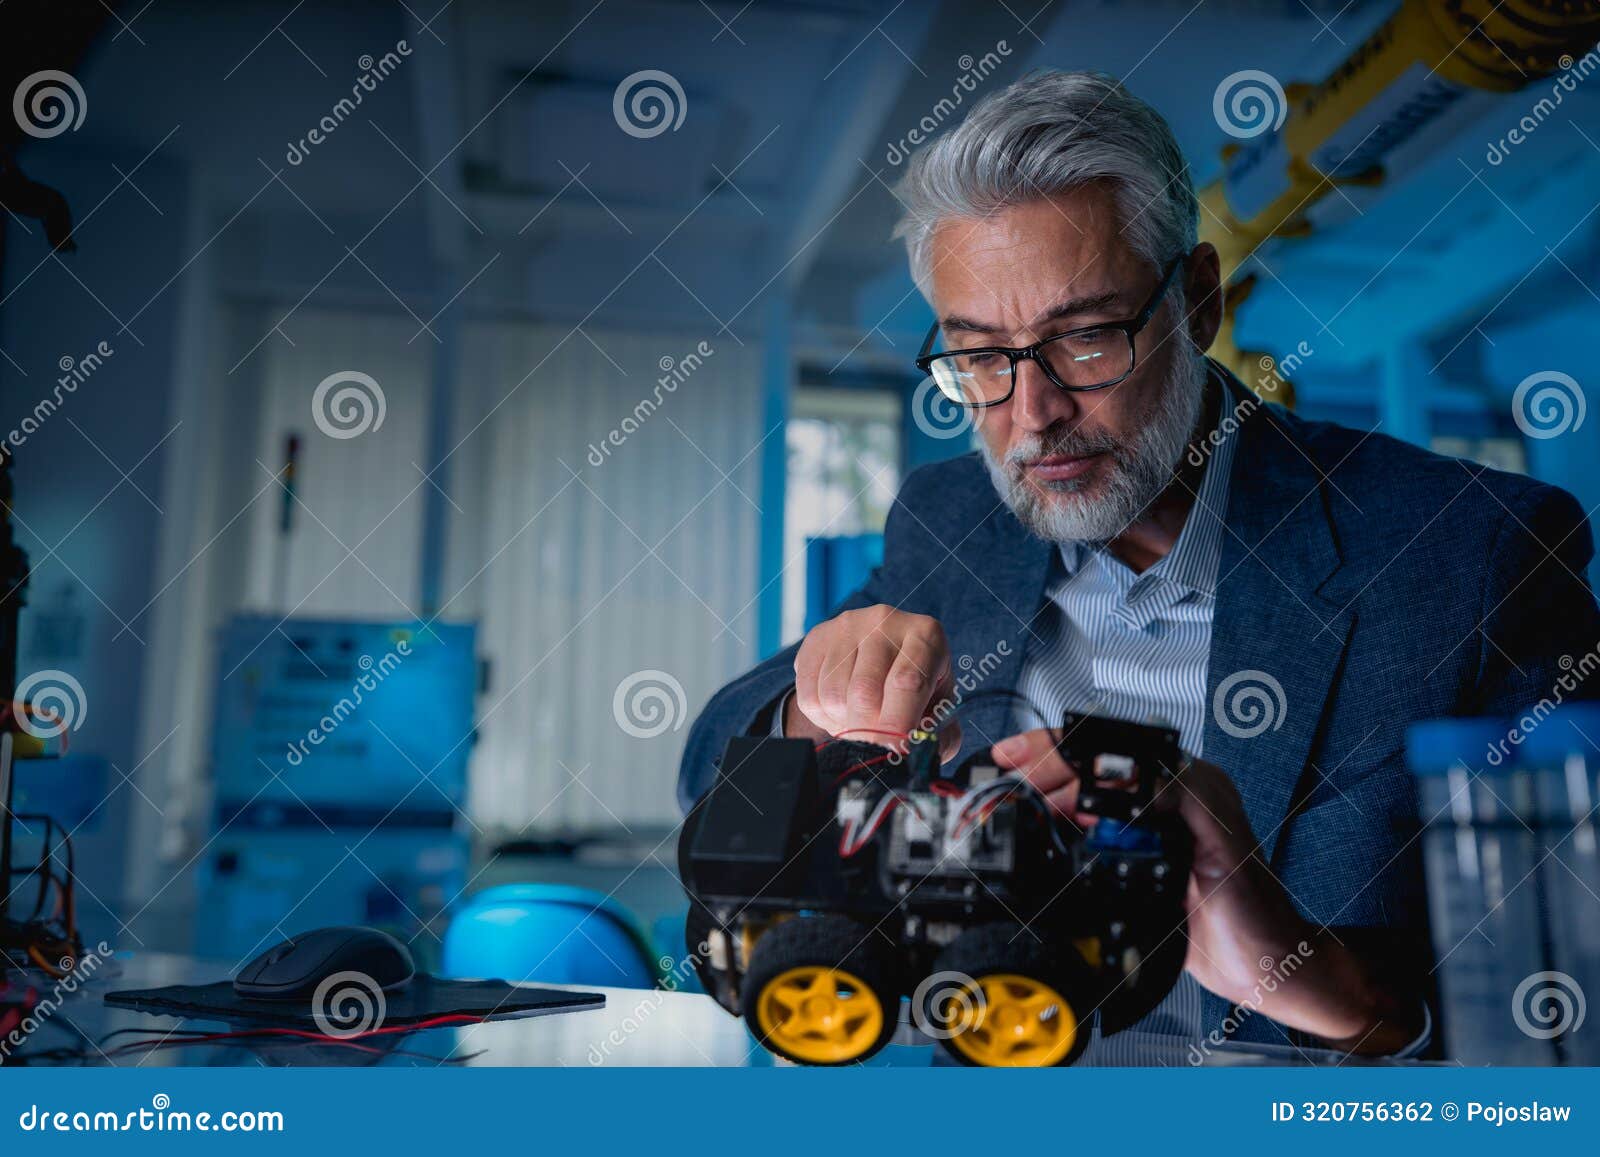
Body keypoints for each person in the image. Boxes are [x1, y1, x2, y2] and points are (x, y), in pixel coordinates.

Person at [677, 70, 1598, 1057]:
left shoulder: (1469, 549)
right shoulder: (949, 519)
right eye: (980, 355)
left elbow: (1560, 1011)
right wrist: (815, 709)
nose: (1031, 413)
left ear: (1195, 302)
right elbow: (708, 761)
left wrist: (1320, 980)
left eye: (1082, 338)